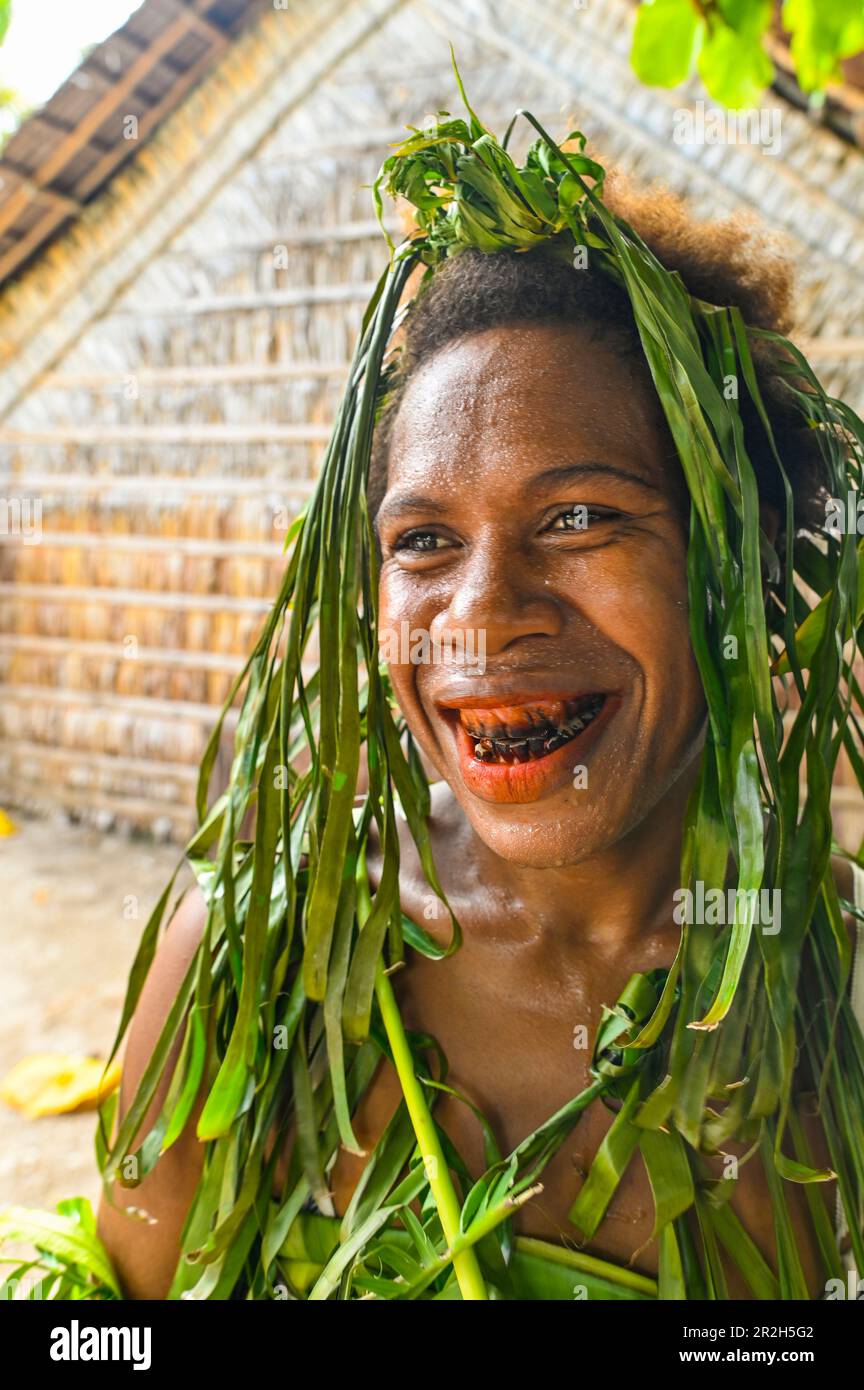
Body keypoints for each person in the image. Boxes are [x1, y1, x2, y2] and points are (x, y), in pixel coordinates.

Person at [94, 164, 864, 1300]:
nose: (483, 614)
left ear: (739, 560)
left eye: (580, 517)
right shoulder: (252, 963)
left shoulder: (839, 996)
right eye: (423, 542)